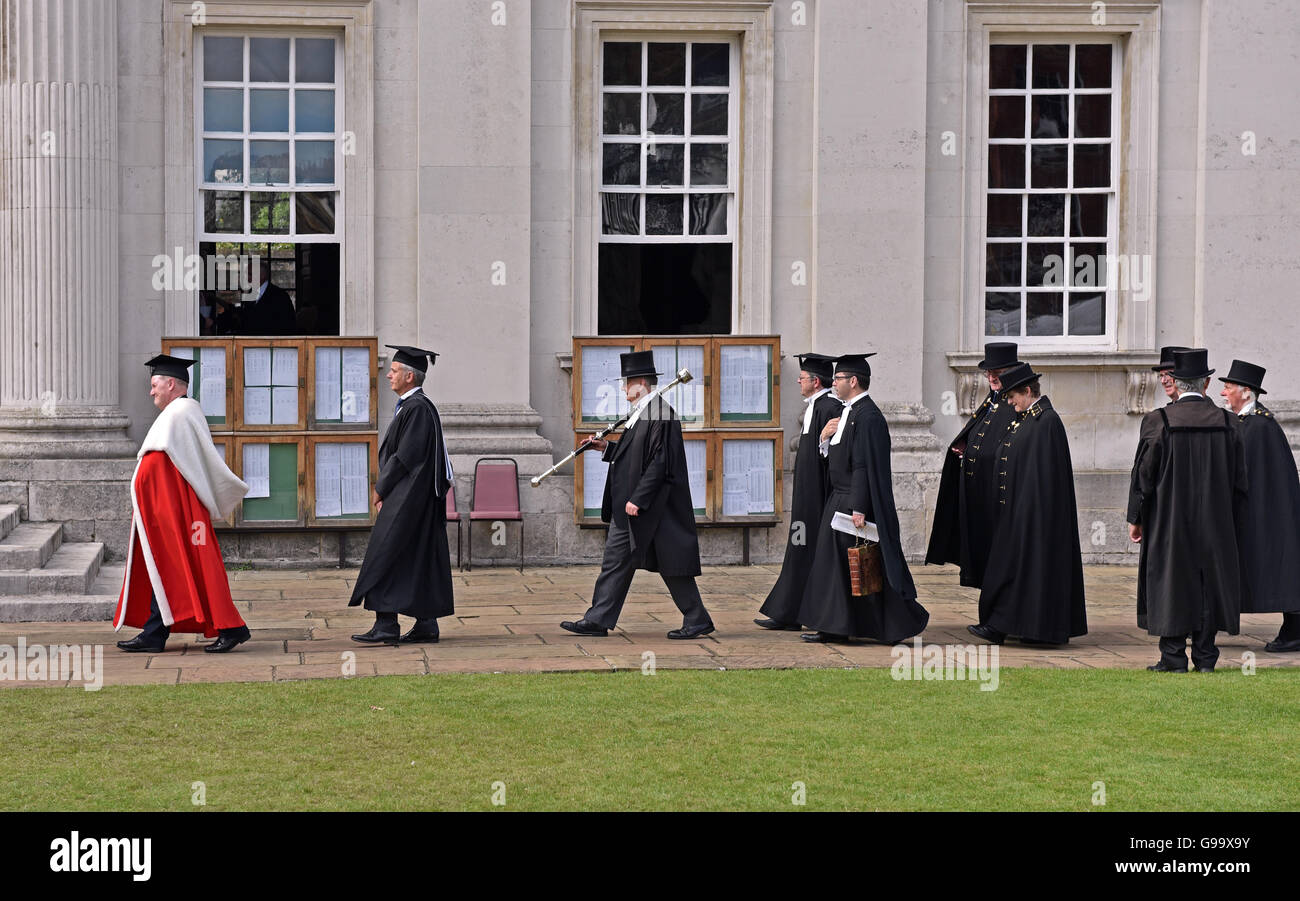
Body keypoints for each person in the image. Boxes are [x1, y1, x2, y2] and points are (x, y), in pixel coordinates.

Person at [561, 351, 714, 640]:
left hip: (652, 509)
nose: (622, 388)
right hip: (629, 507)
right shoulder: (644, 411)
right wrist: (605, 448)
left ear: (640, 383)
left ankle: (697, 618)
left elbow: (660, 462)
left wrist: (639, 499)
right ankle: (598, 619)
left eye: (626, 383)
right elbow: (636, 456)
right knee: (615, 561)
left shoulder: (660, 413)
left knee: (672, 565)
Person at [114, 355, 251, 653]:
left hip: (181, 514)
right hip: (170, 512)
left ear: (171, 384)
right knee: (163, 569)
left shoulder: (181, 413)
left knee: (197, 568)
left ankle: (232, 628)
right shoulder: (179, 413)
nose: (151, 392)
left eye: (154, 385)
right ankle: (154, 634)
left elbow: (173, 470)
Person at [1128, 349, 1249, 672]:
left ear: (1177, 384)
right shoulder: (1230, 423)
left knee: (1170, 582)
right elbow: (1241, 482)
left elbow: (1143, 476)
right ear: (1207, 383)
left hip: (1170, 520)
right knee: (1209, 583)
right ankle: (1206, 657)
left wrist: (1136, 519)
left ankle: (1173, 657)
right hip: (1217, 521)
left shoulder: (1159, 421)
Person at [797, 354, 929, 644]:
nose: (834, 383)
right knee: (834, 566)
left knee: (850, 566)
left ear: (853, 381)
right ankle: (835, 626)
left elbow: (864, 466)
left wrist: (859, 507)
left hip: (851, 502)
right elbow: (841, 457)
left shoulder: (868, 416)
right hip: (840, 497)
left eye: (839, 378)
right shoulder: (848, 412)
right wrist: (823, 439)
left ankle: (884, 624)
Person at [969, 363, 1087, 645]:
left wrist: (1031, 514)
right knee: (1010, 570)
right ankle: (1004, 625)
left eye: (1013, 397)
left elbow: (1047, 477)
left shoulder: (1046, 421)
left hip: (1035, 517)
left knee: (1029, 572)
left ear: (1027, 391)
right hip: (1016, 514)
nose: (1010, 402)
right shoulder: (1025, 419)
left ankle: (1031, 629)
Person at [349, 346, 455, 644]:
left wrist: (381, 488)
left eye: (394, 371)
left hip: (409, 499)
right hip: (416, 501)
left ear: (410, 376)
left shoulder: (417, 408)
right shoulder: (416, 407)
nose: (389, 376)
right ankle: (426, 624)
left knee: (386, 555)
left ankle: (386, 625)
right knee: (417, 558)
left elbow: (404, 457)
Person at [755, 352, 841, 630]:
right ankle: (788, 611)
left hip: (818, 497)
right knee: (799, 549)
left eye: (802, 377)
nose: (798, 381)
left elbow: (833, 454)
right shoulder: (815, 406)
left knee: (808, 551)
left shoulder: (828, 406)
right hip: (806, 496)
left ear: (815, 381)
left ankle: (796, 612)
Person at [1219, 360, 1300, 652]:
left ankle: (1295, 630)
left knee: (1278, 571)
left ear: (1246, 392)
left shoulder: (1258, 426)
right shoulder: (1249, 423)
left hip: (1264, 517)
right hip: (1257, 513)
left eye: (1228, 387)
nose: (1223, 393)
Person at [926, 342, 1020, 587]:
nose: (991, 377)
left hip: (996, 497)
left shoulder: (1014, 405)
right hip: (978, 492)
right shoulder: (993, 400)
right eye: (988, 372)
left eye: (997, 372)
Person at [240, 257, 296, 335]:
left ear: (262, 275)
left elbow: (288, 326)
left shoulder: (280, 296)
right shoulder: (250, 293)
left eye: (251, 274)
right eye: (247, 274)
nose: (247, 278)